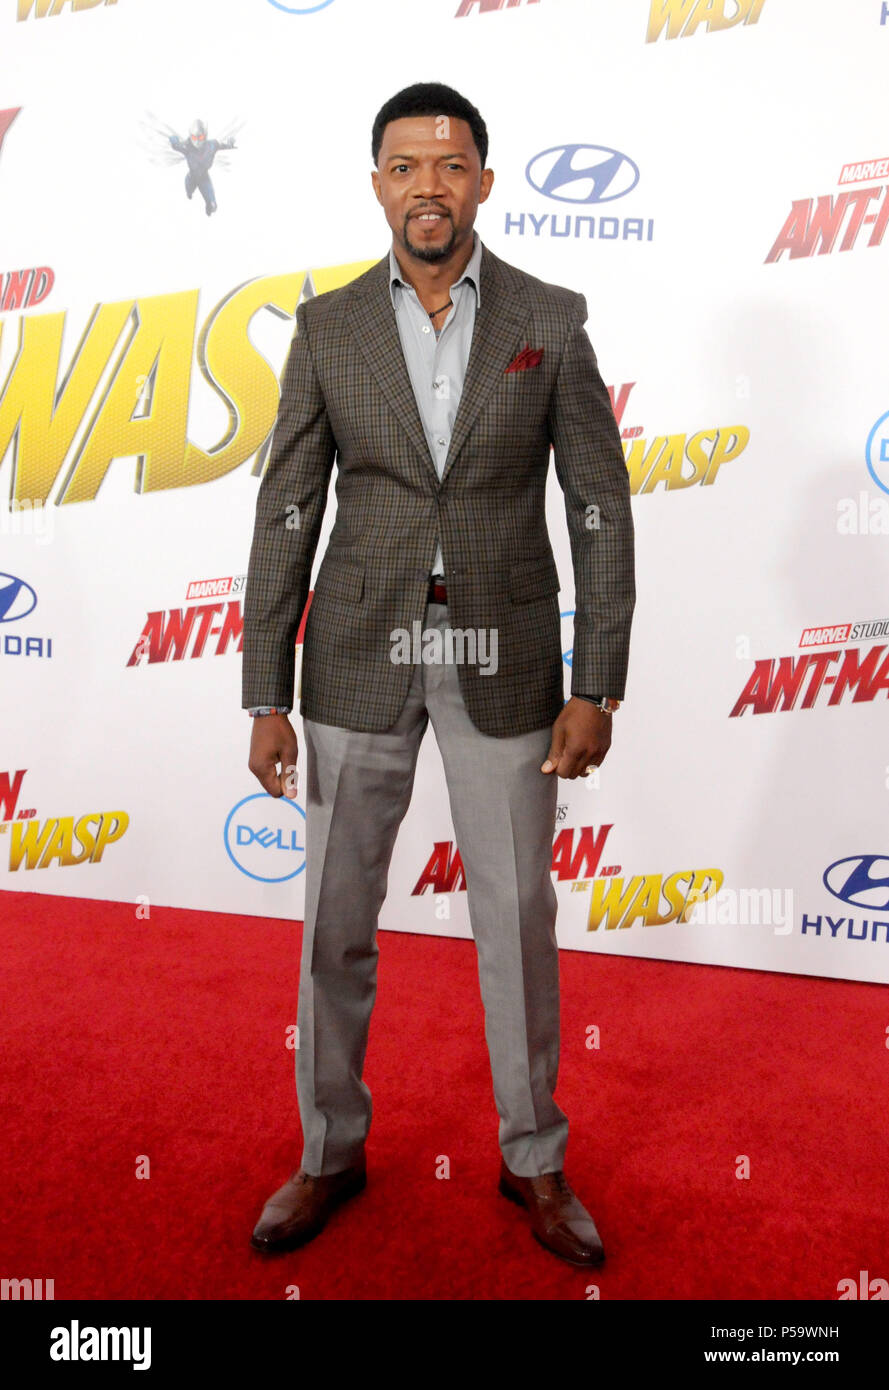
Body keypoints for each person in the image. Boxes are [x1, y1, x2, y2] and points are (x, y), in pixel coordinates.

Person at [241, 82, 635, 1268]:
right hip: (357, 652)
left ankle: (534, 1161)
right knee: (333, 923)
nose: (429, 185)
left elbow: (599, 508)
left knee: (514, 913)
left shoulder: (550, 318)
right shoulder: (327, 329)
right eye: (405, 165)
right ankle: (327, 1150)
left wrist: (596, 680)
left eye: (450, 164)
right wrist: (265, 687)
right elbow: (286, 511)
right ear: (377, 185)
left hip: (506, 656)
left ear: (483, 181)